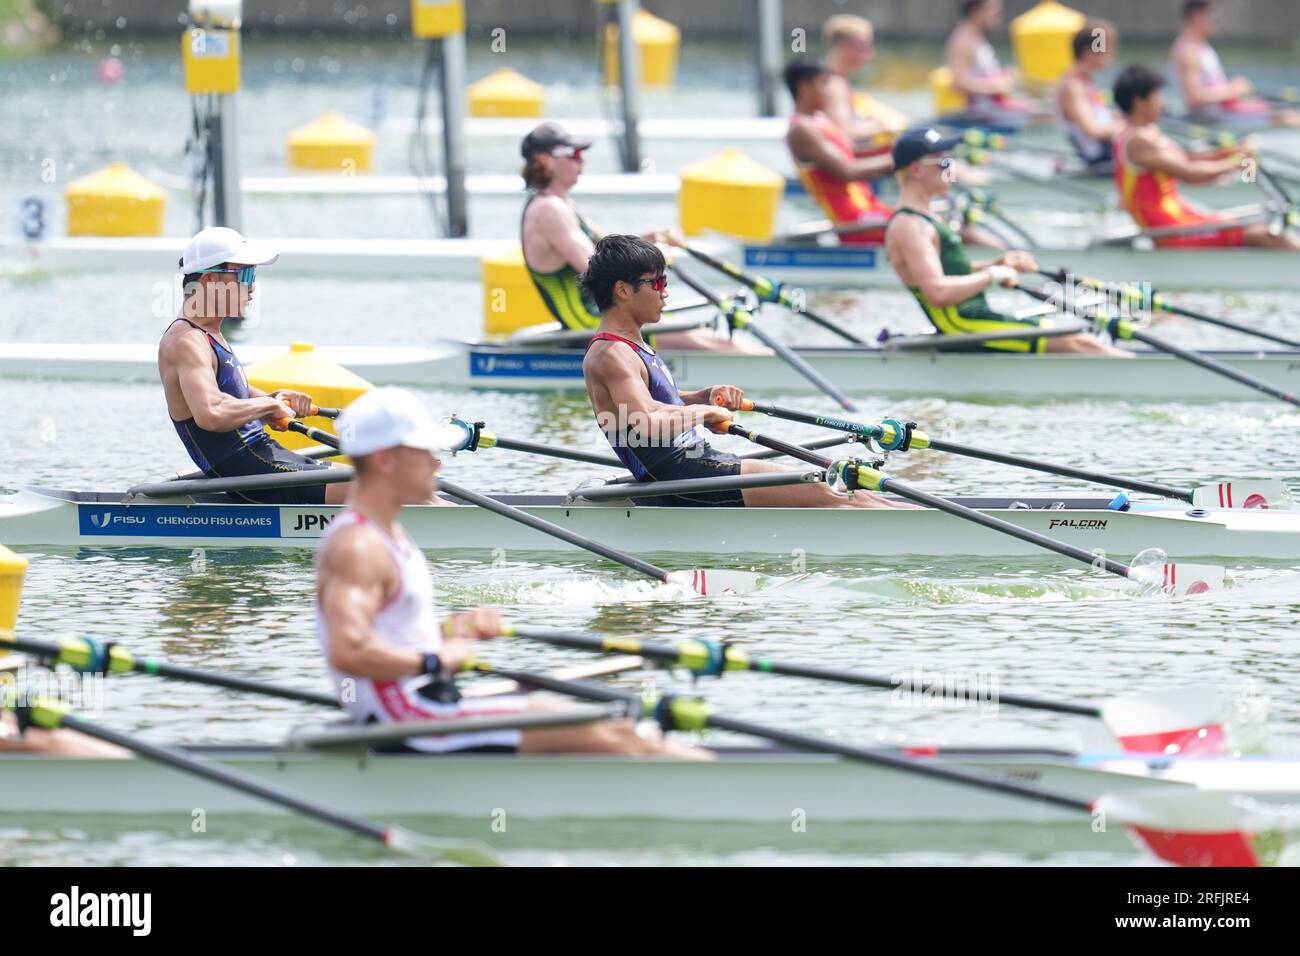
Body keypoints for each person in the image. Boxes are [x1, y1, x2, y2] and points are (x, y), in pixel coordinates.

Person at [315, 387, 702, 758]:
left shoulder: (388, 533)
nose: (437, 461)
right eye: (424, 450)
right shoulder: (357, 547)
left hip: (427, 703)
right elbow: (348, 651)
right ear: (385, 459)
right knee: (615, 736)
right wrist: (435, 660)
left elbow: (391, 637)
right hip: (409, 719)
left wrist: (453, 632)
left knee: (617, 729)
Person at [580, 235, 910, 508]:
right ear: (622, 290)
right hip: (680, 480)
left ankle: (920, 517)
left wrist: (701, 397)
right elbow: (645, 422)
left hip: (697, 466)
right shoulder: (612, 354)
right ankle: (935, 530)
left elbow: (648, 403)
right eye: (657, 282)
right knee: (832, 491)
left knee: (845, 490)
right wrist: (702, 412)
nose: (665, 291)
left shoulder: (628, 345)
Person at [884, 127, 1128, 356]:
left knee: (1078, 336)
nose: (952, 170)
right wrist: (993, 276)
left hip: (973, 317)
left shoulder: (923, 218)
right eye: (944, 163)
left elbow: (948, 272)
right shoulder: (911, 227)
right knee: (1079, 342)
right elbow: (937, 292)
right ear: (916, 170)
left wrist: (997, 263)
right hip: (962, 324)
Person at [519, 122, 755, 352]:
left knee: (713, 339)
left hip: (615, 314)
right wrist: (653, 258)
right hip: (597, 323)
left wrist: (652, 240)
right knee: (717, 345)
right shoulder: (548, 210)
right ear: (546, 161)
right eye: (574, 153)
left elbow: (609, 250)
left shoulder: (563, 204)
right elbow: (600, 270)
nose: (581, 160)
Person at [158, 227, 345, 505]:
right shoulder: (187, 341)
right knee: (389, 485)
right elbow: (211, 413)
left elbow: (228, 394)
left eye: (253, 276)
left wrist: (273, 399)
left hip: (267, 459)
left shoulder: (207, 332)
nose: (252, 286)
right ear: (210, 280)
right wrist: (269, 407)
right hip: (254, 474)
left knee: (407, 483)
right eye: (245, 275)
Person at [1113, 65, 1300, 250]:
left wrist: (1228, 153)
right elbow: (1191, 175)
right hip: (1169, 231)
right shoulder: (1138, 139)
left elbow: (1188, 160)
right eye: (1157, 96)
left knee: (1255, 226)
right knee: (1266, 235)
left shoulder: (1148, 131)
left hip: (1182, 219)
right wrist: (1234, 164)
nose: (1162, 103)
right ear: (1138, 102)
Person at [785, 58, 896, 244]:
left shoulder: (822, 122)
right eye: (823, 83)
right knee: (931, 226)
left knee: (940, 222)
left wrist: (900, 147)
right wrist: (900, 158)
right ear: (804, 87)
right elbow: (848, 171)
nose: (829, 91)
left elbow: (853, 156)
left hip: (871, 213)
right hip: (854, 223)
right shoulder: (801, 130)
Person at [1171, 0, 1299, 129]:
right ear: (1196, 16)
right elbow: (1193, 98)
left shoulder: (1200, 47)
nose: (1216, 20)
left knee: (1282, 109)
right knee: (1287, 117)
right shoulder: (1189, 52)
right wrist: (1233, 90)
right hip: (1211, 119)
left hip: (1224, 111)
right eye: (1212, 15)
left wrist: (1232, 89)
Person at [945, 0, 1043, 129]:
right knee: (1046, 115)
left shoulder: (976, 37)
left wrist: (1003, 76)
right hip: (984, 116)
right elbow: (959, 84)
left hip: (996, 110)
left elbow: (981, 76)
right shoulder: (963, 40)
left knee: (1043, 108)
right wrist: (997, 86)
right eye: (995, 11)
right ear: (976, 11)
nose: (998, 16)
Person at [821, 15, 901, 148]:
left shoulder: (830, 79)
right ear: (842, 46)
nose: (870, 54)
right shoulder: (834, 86)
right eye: (862, 46)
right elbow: (845, 133)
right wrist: (880, 126)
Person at [1055, 20, 1123, 174]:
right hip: (1100, 159)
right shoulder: (1073, 87)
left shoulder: (1086, 82)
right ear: (1089, 52)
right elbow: (1092, 131)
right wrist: (1128, 125)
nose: (1112, 55)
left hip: (1110, 151)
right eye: (1108, 49)